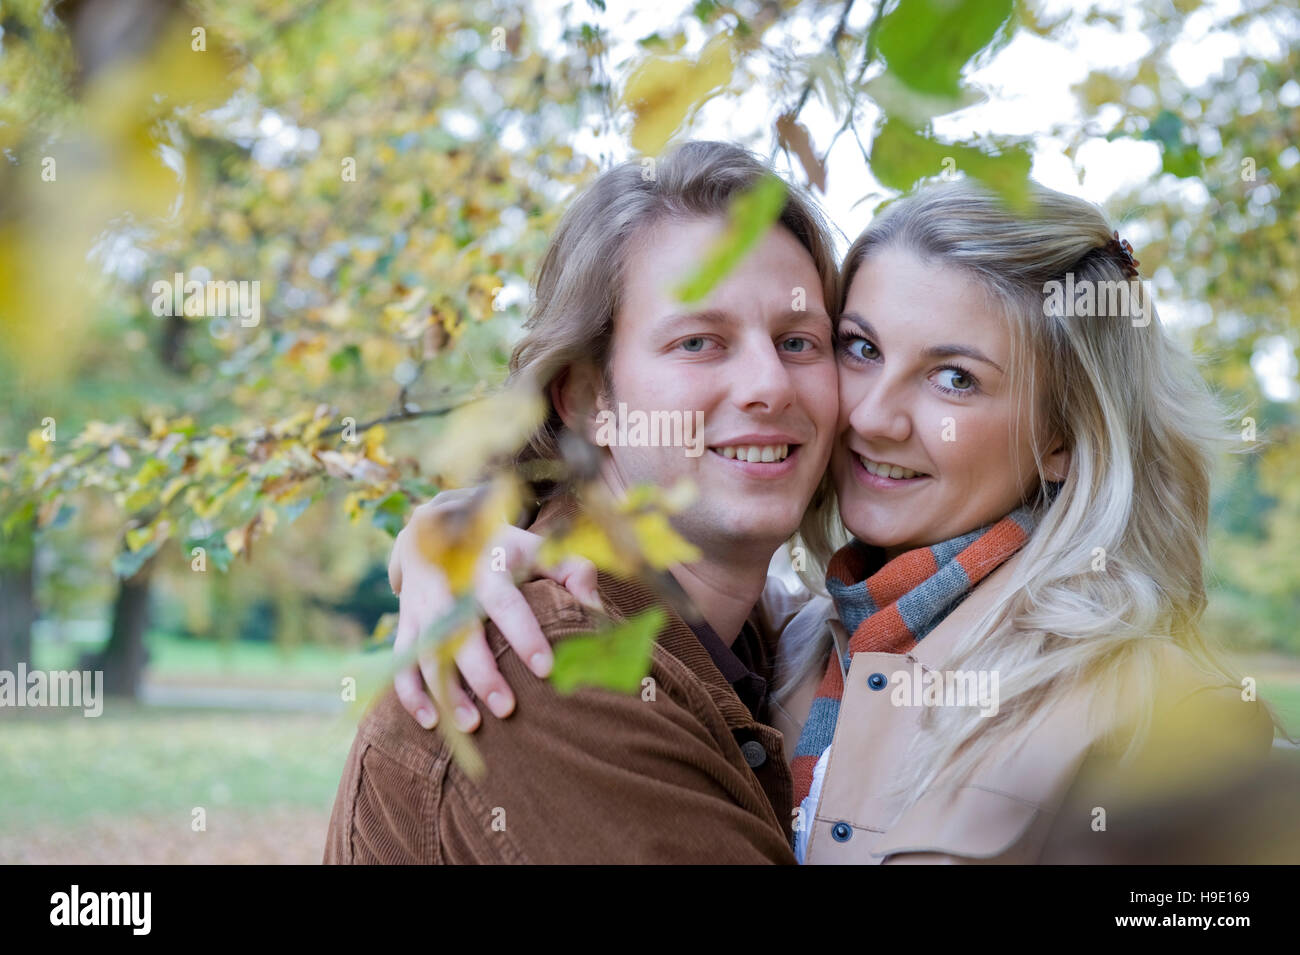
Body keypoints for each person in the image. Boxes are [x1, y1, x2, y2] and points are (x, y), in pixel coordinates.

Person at [386, 179, 1289, 864]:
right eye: (860, 348)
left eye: (955, 377)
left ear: (1060, 437)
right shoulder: (791, 648)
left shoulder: (1157, 710)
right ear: (587, 397)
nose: (871, 416)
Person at [324, 140, 842, 863]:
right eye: (699, 341)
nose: (771, 385)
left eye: (799, 341)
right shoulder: (549, 668)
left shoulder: (760, 639)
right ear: (587, 397)